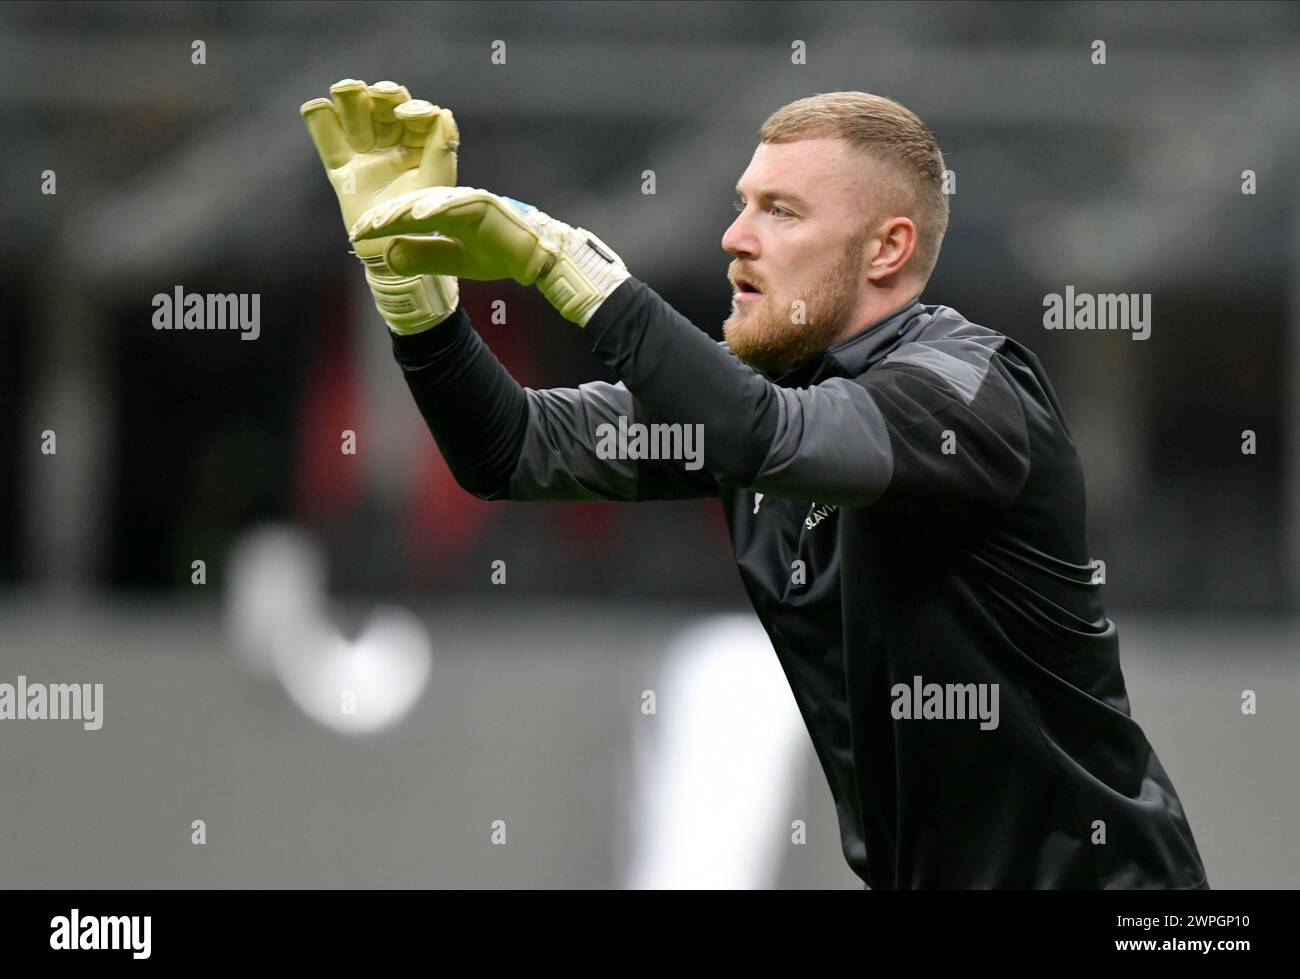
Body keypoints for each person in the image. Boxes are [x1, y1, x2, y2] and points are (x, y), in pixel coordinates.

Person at [302, 80, 1209, 889]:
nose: (736, 237)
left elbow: (771, 438)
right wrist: (411, 293)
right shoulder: (766, 397)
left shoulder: (966, 389)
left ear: (887, 247)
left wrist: (570, 270)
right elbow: (509, 449)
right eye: (741, 205)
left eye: (780, 211)